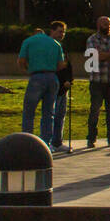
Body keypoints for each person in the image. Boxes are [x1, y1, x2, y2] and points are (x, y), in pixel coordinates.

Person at [17, 22, 69, 148]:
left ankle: (27, 142)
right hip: (52, 78)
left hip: (36, 77)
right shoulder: (55, 44)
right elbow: (61, 64)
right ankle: (46, 144)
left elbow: (21, 61)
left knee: (29, 111)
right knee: (48, 113)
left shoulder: (28, 42)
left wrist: (29, 69)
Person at [85, 14, 110, 148]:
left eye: (108, 24)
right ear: (98, 25)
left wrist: (103, 55)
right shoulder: (91, 39)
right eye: (104, 24)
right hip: (97, 79)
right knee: (95, 109)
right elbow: (94, 56)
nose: (107, 26)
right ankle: (91, 138)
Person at [49, 20, 72, 153]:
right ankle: (49, 141)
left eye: (63, 32)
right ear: (52, 31)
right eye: (59, 31)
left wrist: (69, 79)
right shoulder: (51, 46)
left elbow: (67, 65)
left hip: (65, 85)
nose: (61, 34)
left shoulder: (62, 46)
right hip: (55, 83)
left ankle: (57, 141)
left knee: (61, 115)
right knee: (52, 114)